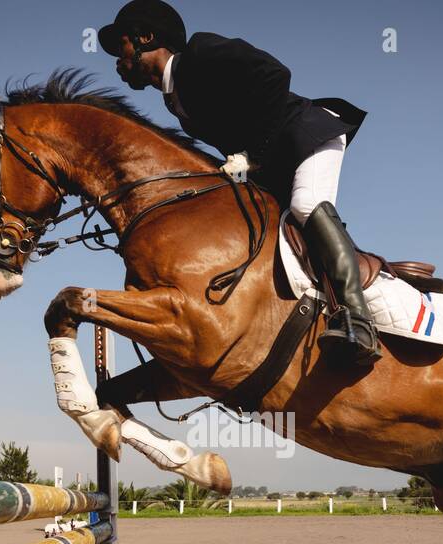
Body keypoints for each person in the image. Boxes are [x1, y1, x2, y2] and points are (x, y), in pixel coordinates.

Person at [98, 0, 379, 365]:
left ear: (146, 38)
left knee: (306, 205)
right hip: (273, 161)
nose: (117, 62)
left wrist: (253, 155)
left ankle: (359, 320)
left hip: (308, 134)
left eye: (120, 48)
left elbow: (275, 74)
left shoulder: (199, 53)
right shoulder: (174, 98)